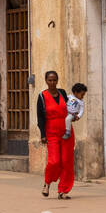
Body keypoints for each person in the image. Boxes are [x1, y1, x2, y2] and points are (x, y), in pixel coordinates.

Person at [36, 70, 75, 199]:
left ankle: (63, 191)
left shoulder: (63, 93)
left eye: (54, 80)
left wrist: (75, 116)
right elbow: (40, 118)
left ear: (57, 80)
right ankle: (47, 183)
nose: (52, 82)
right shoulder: (42, 96)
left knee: (66, 161)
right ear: (46, 81)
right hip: (51, 131)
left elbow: (71, 109)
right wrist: (42, 134)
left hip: (67, 130)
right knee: (54, 161)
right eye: (50, 80)